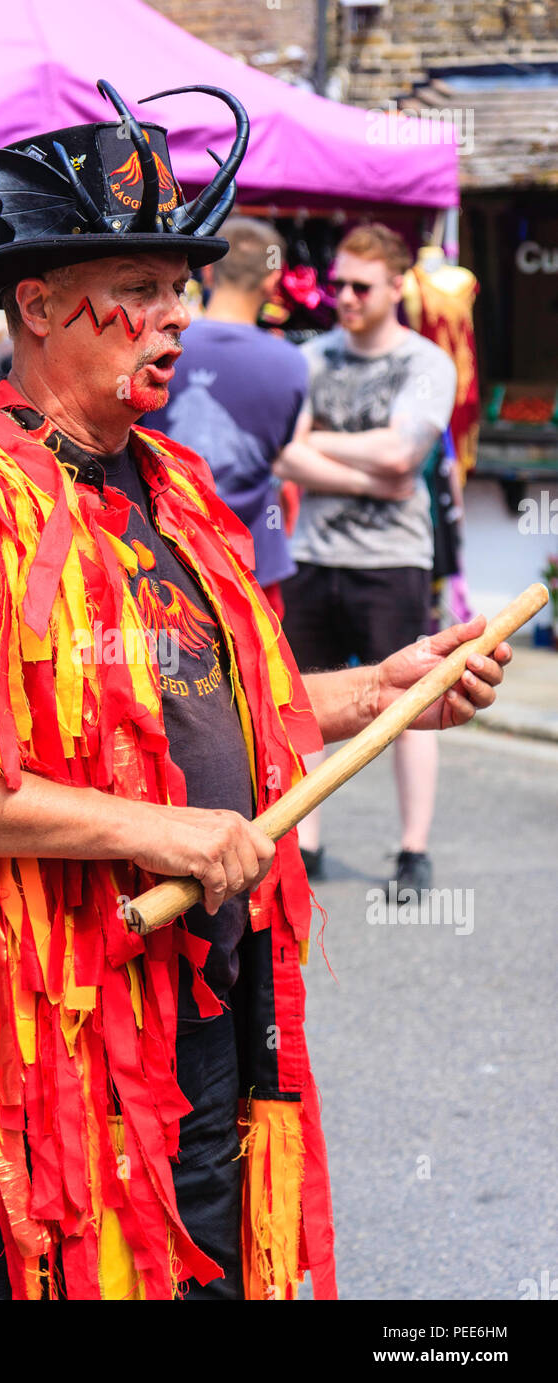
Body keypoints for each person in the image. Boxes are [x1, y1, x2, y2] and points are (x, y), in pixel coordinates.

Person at [0, 87, 509, 1302]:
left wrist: (377, 688)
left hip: (195, 1021)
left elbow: (206, 694)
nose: (169, 319)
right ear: (35, 306)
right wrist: (154, 829)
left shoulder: (168, 489)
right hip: (38, 1057)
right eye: (135, 289)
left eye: (175, 288)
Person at [277, 223, 458, 889]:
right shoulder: (308, 358)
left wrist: (323, 445)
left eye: (360, 286)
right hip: (311, 554)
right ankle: (307, 840)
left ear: (397, 286)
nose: (345, 298)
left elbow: (403, 454)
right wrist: (368, 474)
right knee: (301, 703)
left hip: (392, 559)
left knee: (409, 703)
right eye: (338, 285)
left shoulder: (427, 362)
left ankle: (413, 851)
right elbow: (282, 452)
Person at [142, 215, 305, 619]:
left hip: (163, 549)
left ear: (209, 271)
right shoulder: (291, 363)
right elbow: (283, 450)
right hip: (253, 558)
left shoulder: (160, 346)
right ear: (272, 281)